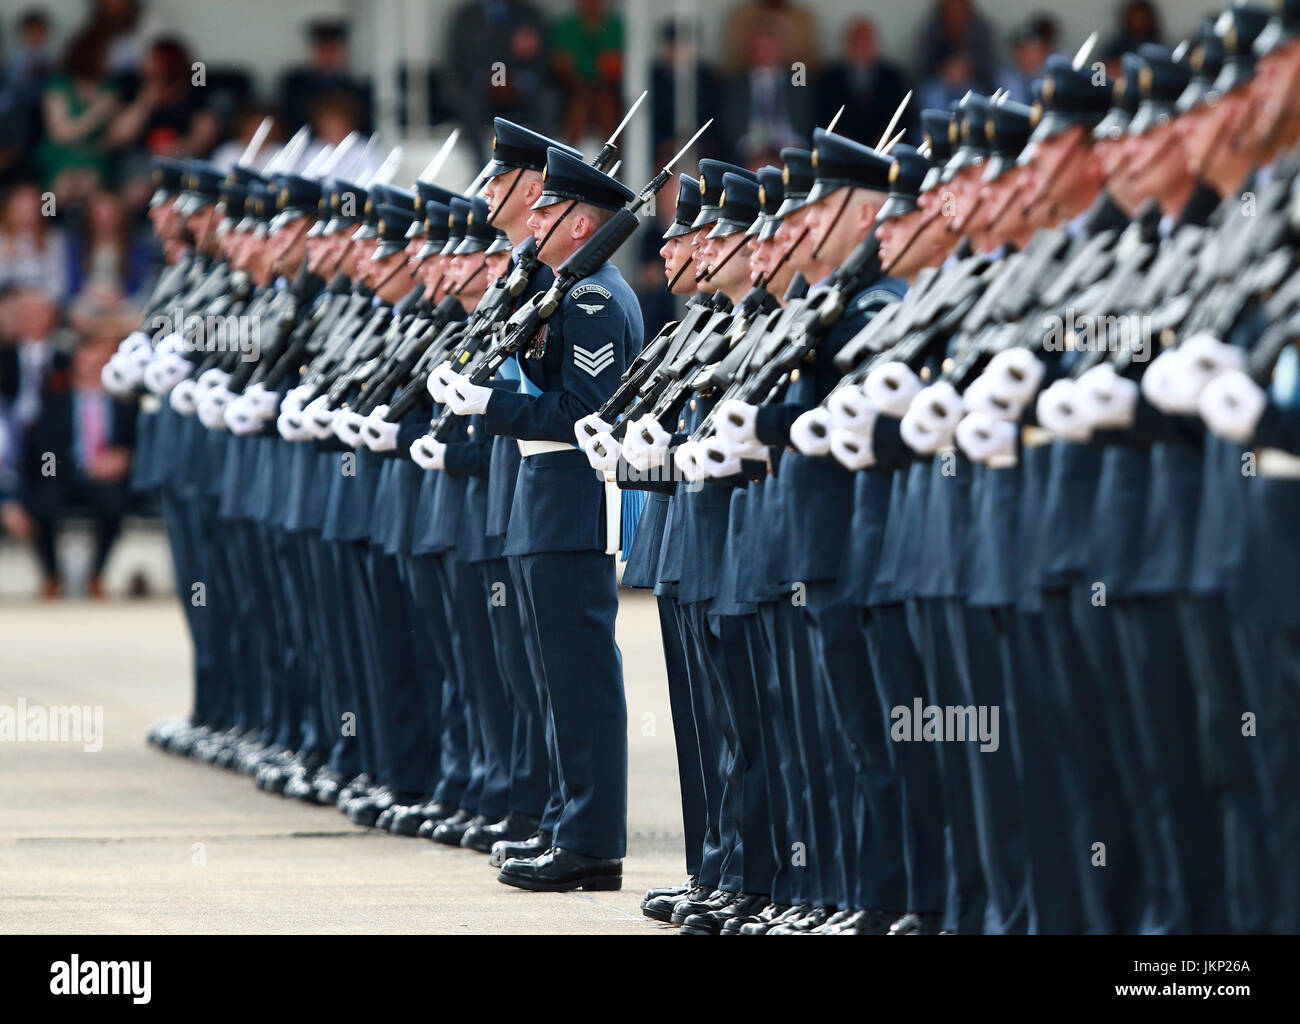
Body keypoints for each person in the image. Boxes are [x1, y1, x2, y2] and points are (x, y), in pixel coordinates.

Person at [443, 146, 643, 891]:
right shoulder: (563, 288)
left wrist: (488, 405)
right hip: (543, 495)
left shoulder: (595, 299)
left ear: (582, 220)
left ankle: (592, 844)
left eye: (548, 208)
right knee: (552, 679)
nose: (532, 215)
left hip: (574, 499)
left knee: (579, 676)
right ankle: (567, 824)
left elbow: (585, 409)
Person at [815, 18, 913, 151]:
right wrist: (835, 136)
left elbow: (905, 118)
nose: (861, 46)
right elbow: (820, 118)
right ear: (847, 43)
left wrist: (892, 138)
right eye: (856, 41)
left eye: (866, 41)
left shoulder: (893, 78)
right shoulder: (829, 78)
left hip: (884, 150)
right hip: (841, 151)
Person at [278, 19, 372, 134]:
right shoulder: (296, 84)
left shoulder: (354, 87)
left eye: (332, 50)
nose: (328, 55)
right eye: (323, 50)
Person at [550, 0, 623, 146]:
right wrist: (580, 84)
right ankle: (570, 157)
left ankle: (612, 159)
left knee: (605, 104)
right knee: (580, 104)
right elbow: (561, 65)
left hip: (606, 88)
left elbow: (615, 65)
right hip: (574, 88)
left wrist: (596, 85)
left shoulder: (614, 26)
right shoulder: (567, 27)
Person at [0, 181, 70, 302]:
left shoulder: (54, 238)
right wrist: (7, 258)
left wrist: (36, 299)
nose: (26, 215)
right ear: (10, 208)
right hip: (7, 302)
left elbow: (58, 285)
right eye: (21, 209)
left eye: (31, 209)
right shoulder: (2, 237)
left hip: (42, 304)